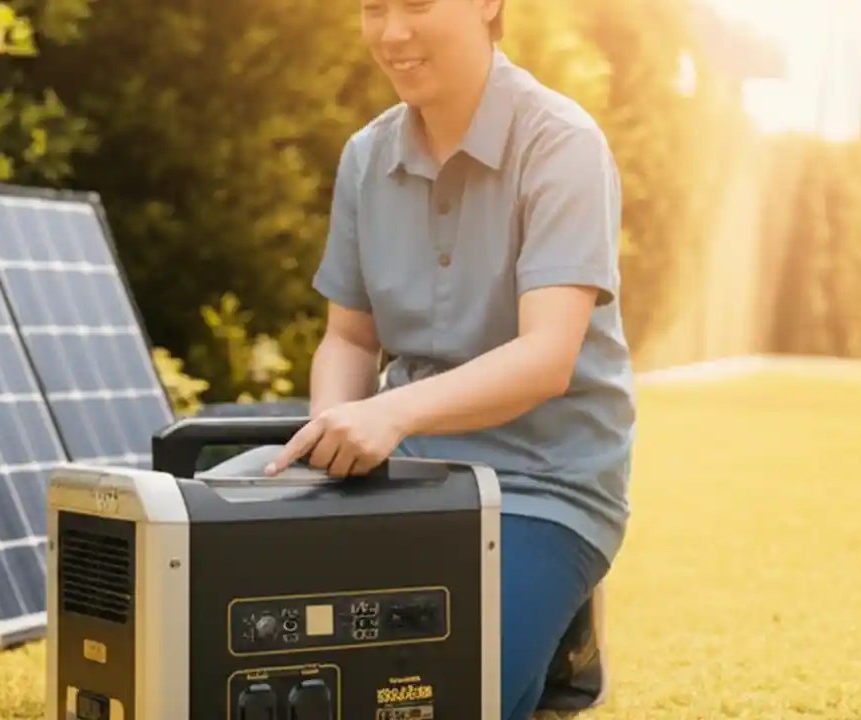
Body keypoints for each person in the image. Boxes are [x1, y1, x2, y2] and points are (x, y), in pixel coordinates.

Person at [262, 0, 636, 718]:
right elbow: (351, 338)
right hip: (408, 474)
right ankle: (557, 637)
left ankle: (557, 615)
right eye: (375, 8)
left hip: (546, 483)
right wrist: (333, 437)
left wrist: (389, 411)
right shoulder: (366, 157)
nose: (393, 33)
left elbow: (546, 357)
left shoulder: (561, 143)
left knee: (432, 698)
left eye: (418, 4)